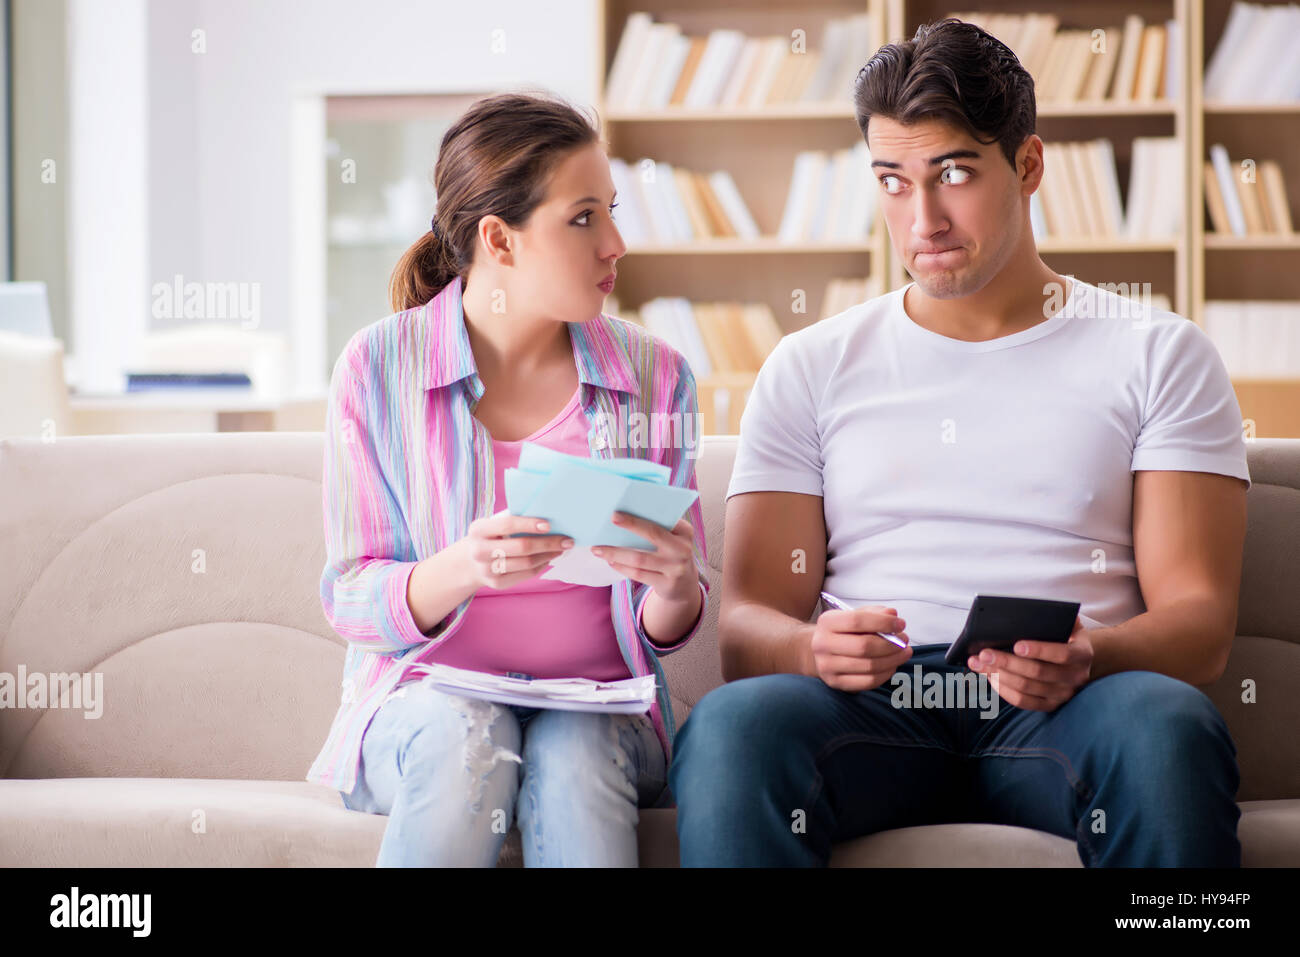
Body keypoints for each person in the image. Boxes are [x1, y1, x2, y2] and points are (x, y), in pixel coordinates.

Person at [669, 18, 1249, 867]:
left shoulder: (1158, 353)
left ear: (1029, 166)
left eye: (953, 173)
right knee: (731, 728)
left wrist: (1093, 654)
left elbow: (1199, 623)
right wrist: (809, 647)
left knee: (1168, 726)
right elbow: (748, 626)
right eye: (892, 182)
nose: (923, 219)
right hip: (871, 708)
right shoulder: (810, 365)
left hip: (1073, 702)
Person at [305, 90, 710, 867]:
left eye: (613, 211)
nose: (616, 242)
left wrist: (675, 586)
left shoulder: (658, 377)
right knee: (471, 732)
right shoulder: (377, 368)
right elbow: (351, 595)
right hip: (424, 708)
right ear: (500, 239)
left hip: (601, 707)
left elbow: (663, 628)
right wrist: (464, 567)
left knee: (576, 751)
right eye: (584, 217)